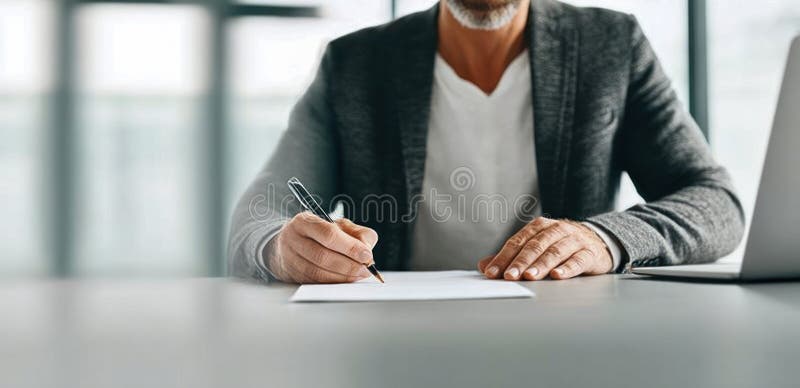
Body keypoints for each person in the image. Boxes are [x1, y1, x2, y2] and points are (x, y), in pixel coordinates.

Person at [228, 0, 745, 284]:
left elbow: (716, 202)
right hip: (396, 345)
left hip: (569, 343)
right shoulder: (354, 65)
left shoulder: (612, 46)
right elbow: (257, 215)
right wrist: (281, 249)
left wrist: (604, 239)